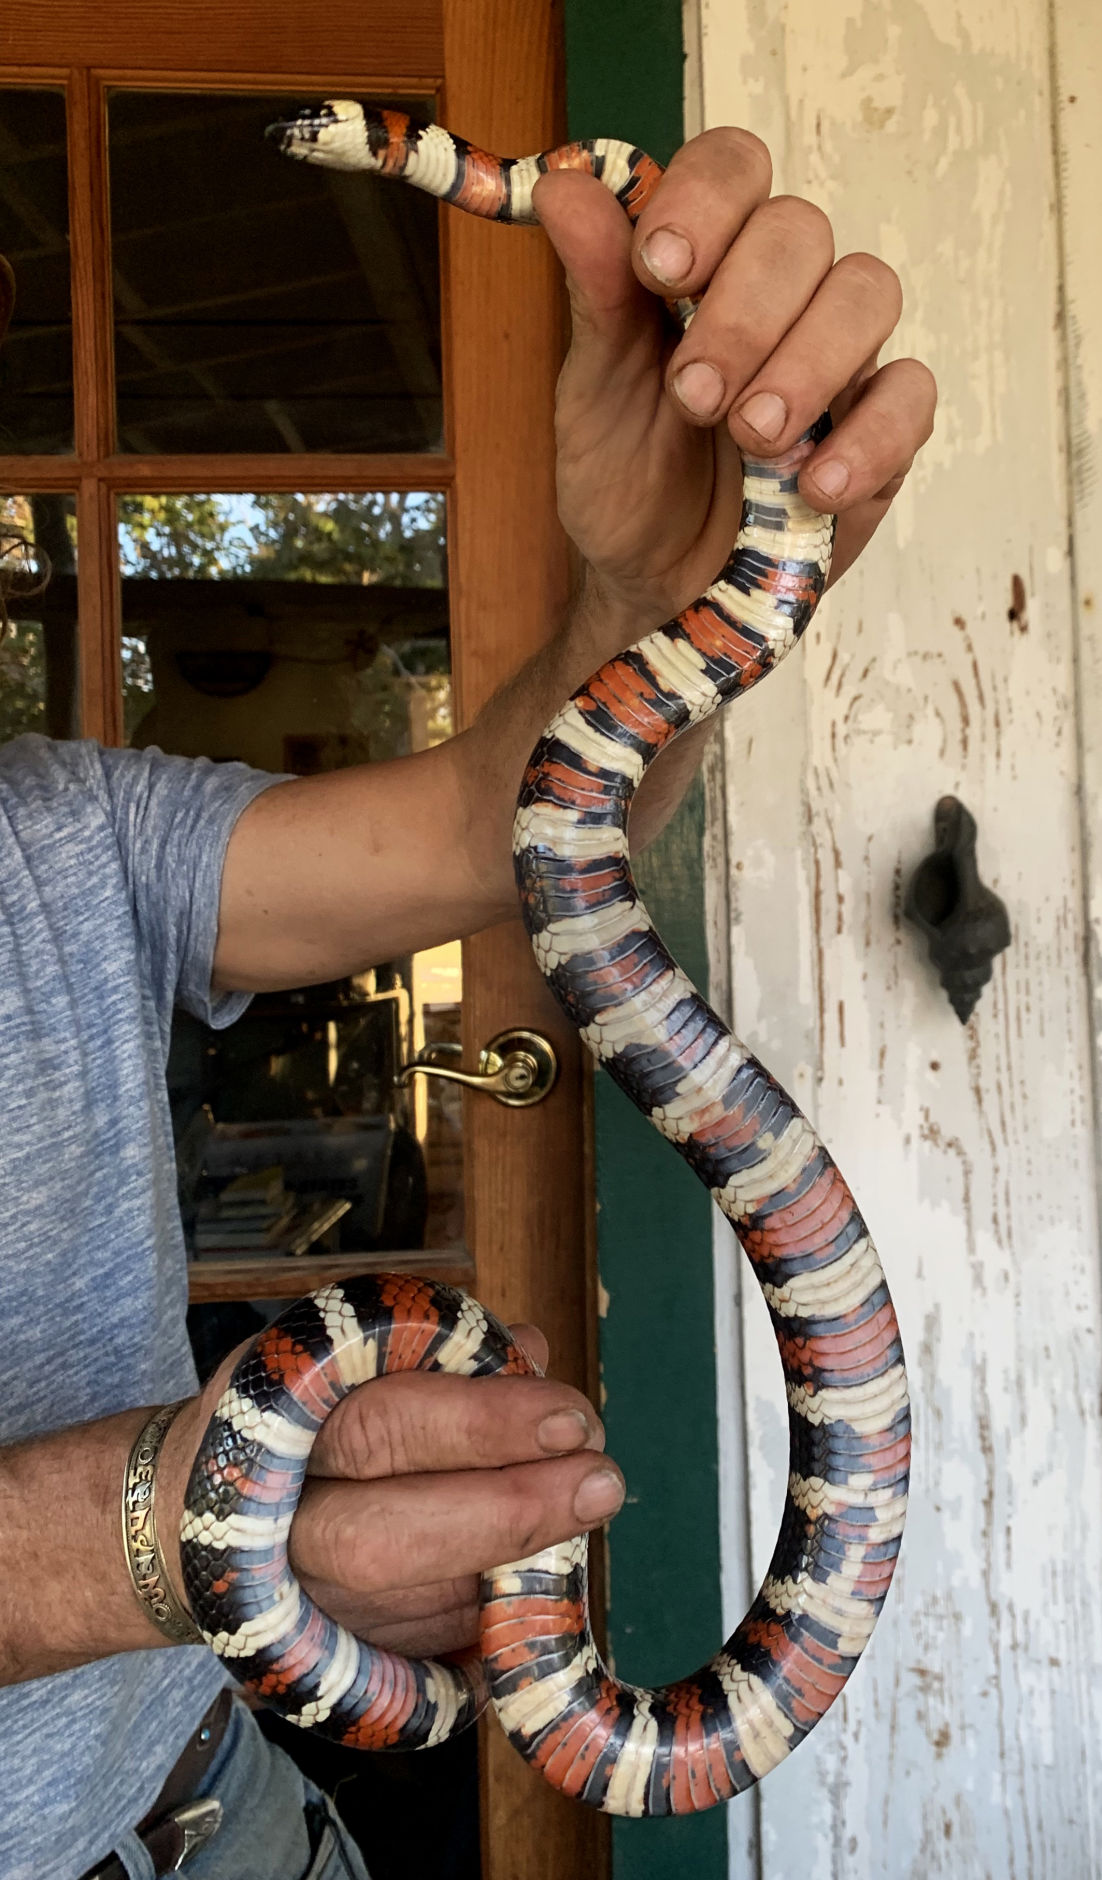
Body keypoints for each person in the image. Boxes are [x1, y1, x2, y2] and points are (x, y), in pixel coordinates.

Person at [0, 129, 936, 1880]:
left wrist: (663, 596)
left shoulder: (44, 830)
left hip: (225, 1807)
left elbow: (488, 825)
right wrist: (176, 1534)